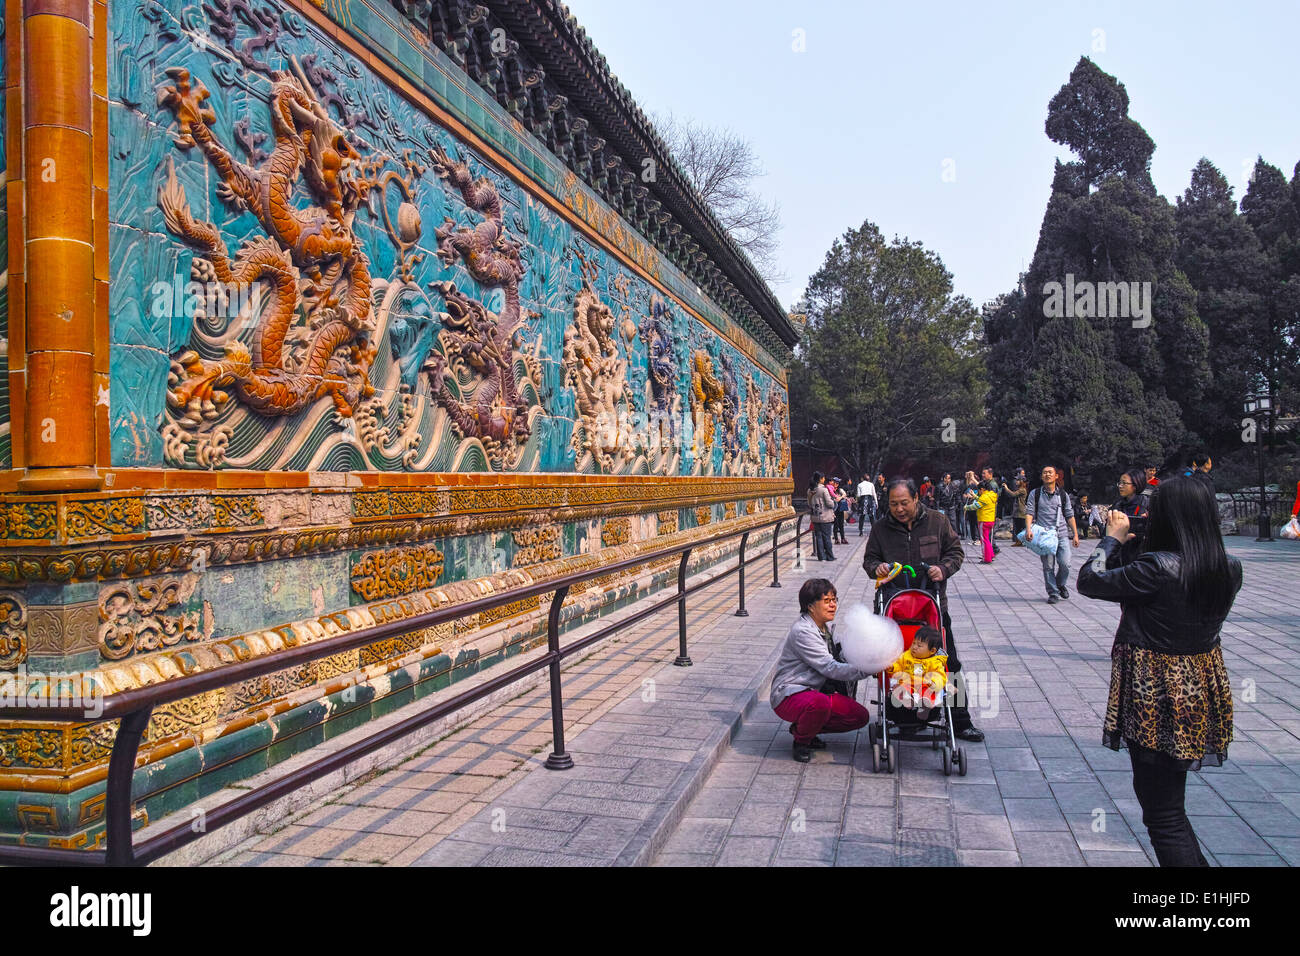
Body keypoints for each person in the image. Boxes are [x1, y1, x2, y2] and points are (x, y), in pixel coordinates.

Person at [1077, 478, 1241, 867]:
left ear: (1171, 516)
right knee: (1170, 806)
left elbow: (1089, 580)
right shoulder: (1228, 568)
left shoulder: (1158, 569)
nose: (1147, 514)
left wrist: (1111, 539)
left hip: (1154, 696)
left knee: (1163, 815)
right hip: (1196, 690)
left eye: (1155, 509)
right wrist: (1135, 544)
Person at [865, 478, 984, 741]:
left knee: (949, 664)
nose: (898, 509)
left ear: (916, 499)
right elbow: (869, 560)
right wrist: (877, 568)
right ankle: (900, 716)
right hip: (893, 612)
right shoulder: (880, 528)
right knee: (895, 667)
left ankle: (961, 722)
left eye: (904, 503)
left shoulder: (937, 522)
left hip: (932, 610)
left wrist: (943, 569)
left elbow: (956, 553)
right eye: (894, 504)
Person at [771, 579, 872, 762]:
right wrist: (866, 670)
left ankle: (804, 728)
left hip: (815, 692)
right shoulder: (803, 632)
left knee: (859, 716)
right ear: (810, 606)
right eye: (827, 601)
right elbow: (830, 667)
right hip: (790, 694)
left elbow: (843, 654)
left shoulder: (826, 628)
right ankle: (802, 740)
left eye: (834, 599)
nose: (833, 605)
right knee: (818, 704)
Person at [1025, 465, 1079, 604]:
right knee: (1048, 566)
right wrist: (1029, 529)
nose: (1047, 474)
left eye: (1050, 472)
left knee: (1065, 564)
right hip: (1044, 535)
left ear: (1056, 476)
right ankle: (1053, 592)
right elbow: (1030, 512)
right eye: (1044, 473)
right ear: (1042, 476)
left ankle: (1060, 584)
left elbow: (1069, 515)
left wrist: (1076, 534)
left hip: (1061, 534)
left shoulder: (1063, 495)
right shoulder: (1035, 494)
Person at [887, 625, 947, 721]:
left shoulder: (935, 662)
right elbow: (898, 666)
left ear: (932, 651)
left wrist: (933, 682)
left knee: (930, 693)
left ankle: (924, 707)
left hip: (925, 685)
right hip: (907, 684)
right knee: (897, 689)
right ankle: (907, 701)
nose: (914, 647)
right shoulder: (906, 656)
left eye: (919, 645)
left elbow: (939, 675)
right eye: (913, 643)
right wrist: (892, 667)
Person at [1113, 469, 1151, 560]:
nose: (1120, 486)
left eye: (1124, 483)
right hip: (1120, 553)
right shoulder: (1118, 505)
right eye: (1119, 483)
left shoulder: (1146, 504)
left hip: (1141, 553)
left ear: (1135, 485)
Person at [808, 471, 836, 561]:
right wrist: (834, 502)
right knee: (826, 537)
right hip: (825, 516)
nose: (824, 480)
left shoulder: (810, 490)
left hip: (815, 516)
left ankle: (821, 556)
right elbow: (829, 503)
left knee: (818, 537)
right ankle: (830, 556)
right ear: (820, 479)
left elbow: (809, 503)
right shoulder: (823, 490)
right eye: (823, 478)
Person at [976, 479, 998, 563]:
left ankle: (986, 558)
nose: (978, 492)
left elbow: (976, 506)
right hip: (990, 520)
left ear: (982, 489)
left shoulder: (984, 497)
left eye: (979, 490)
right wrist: (975, 497)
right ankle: (990, 555)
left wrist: (966, 507)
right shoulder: (991, 495)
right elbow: (982, 501)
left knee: (984, 540)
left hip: (983, 520)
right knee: (987, 539)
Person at [1003, 473, 1028, 545]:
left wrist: (1006, 488)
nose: (1016, 482)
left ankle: (1022, 542)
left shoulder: (1022, 490)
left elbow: (1012, 494)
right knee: (1017, 528)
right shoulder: (1019, 489)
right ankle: (1018, 541)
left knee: (1021, 527)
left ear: (1021, 481)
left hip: (1020, 512)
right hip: (1017, 511)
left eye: (1017, 480)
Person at [962, 470, 981, 542]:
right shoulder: (966, 484)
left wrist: (973, 496)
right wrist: (965, 495)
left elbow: (980, 489)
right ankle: (974, 539)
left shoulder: (976, 482)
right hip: (969, 504)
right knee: (971, 522)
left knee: (976, 522)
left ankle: (978, 538)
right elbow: (963, 493)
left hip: (975, 505)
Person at [830, 477, 850, 545]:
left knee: (841, 524)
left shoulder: (840, 490)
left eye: (837, 483)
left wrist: (840, 498)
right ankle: (836, 539)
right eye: (835, 482)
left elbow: (844, 494)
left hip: (840, 509)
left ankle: (843, 538)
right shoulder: (830, 489)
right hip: (834, 509)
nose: (836, 484)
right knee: (836, 524)